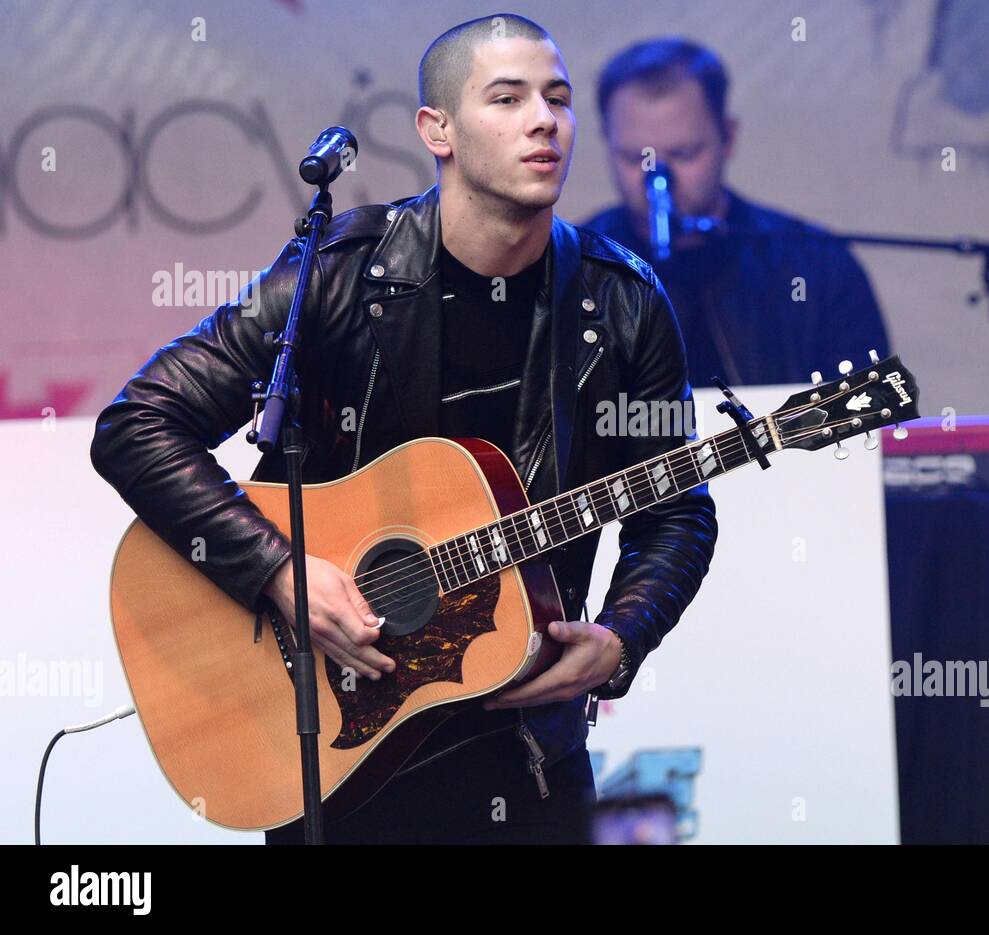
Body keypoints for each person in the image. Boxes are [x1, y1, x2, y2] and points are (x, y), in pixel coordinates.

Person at [89, 13, 718, 845]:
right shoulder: (337, 277)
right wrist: (277, 571)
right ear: (439, 130)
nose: (544, 120)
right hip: (333, 756)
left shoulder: (625, 303)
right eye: (509, 97)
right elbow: (137, 424)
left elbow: (675, 507)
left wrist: (623, 636)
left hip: (526, 761)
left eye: (558, 99)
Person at [582, 38, 891, 387]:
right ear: (607, 142)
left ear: (727, 139)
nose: (658, 179)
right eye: (634, 158)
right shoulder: (570, 270)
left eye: (683, 153)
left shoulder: (819, 267)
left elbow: (869, 414)